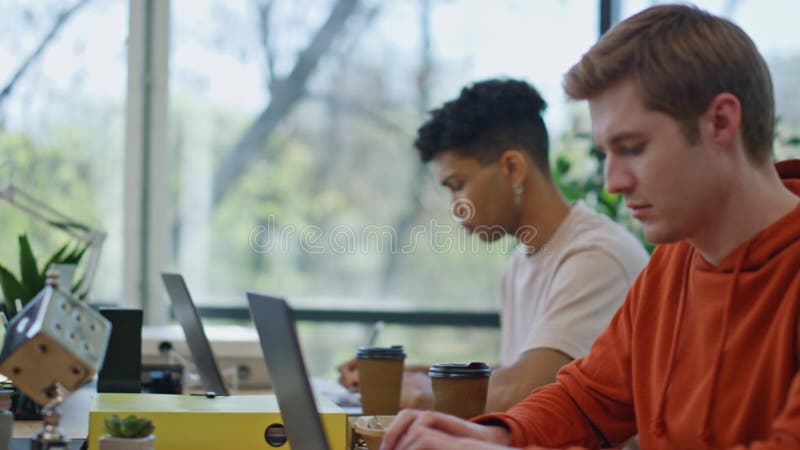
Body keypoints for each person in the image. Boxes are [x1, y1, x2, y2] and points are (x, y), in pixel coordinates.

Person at [380, 4, 800, 450]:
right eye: (606, 155)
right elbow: (587, 398)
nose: (613, 183)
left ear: (720, 123)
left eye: (634, 148)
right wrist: (494, 434)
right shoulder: (675, 261)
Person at [339, 78, 648, 413]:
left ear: (512, 168)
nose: (455, 206)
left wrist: (416, 395)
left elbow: (525, 391)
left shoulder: (595, 257)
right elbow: (515, 373)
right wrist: (413, 375)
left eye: (458, 185)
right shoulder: (523, 261)